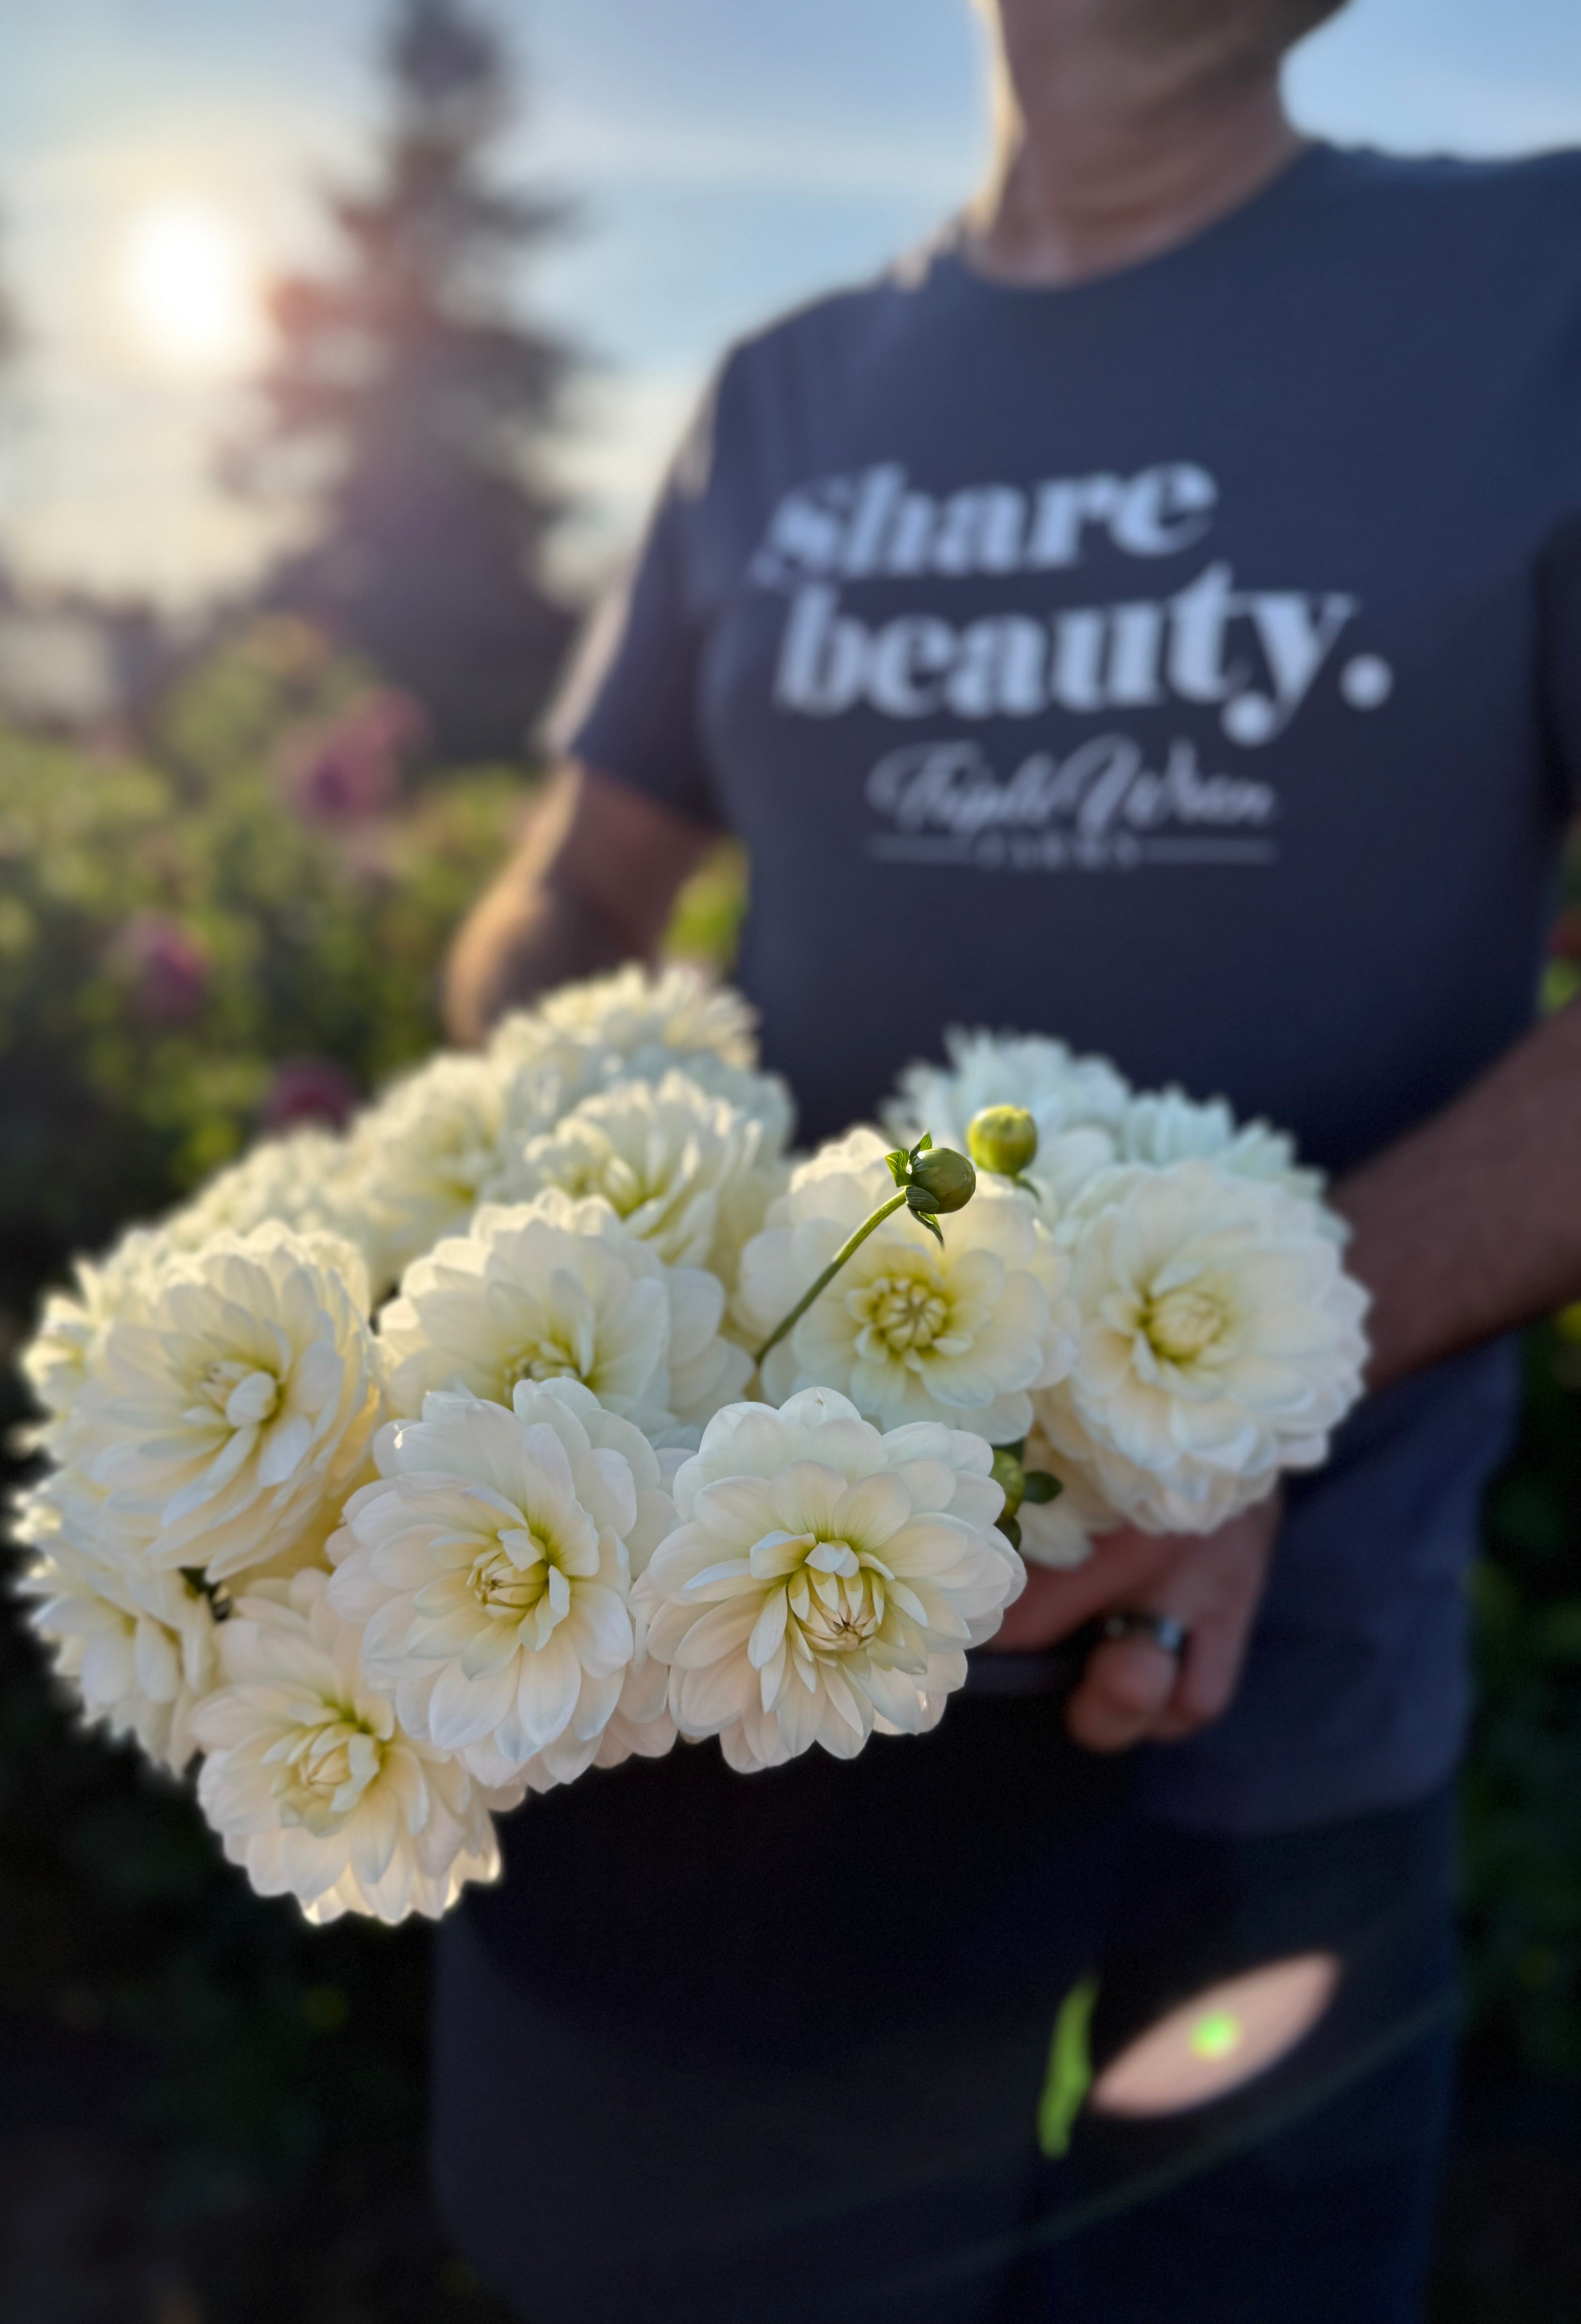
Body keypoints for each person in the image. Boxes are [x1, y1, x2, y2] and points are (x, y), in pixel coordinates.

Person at [431, 2, 1581, 2317]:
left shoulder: (1542, 285)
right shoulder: (777, 396)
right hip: (766, 1750)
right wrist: (575, 1152)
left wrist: (1236, 1395)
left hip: (1266, 1769)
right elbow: (564, 899)